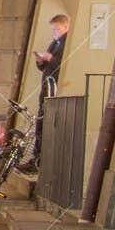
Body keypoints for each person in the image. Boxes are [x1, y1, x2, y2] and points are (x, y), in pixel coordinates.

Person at [24, 13, 69, 170]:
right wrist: (40, 62)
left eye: (56, 29)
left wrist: (51, 59)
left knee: (46, 124)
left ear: (65, 27)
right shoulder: (54, 43)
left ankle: (41, 161)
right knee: (41, 123)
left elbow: (64, 65)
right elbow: (46, 67)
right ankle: (36, 159)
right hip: (46, 88)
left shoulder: (67, 43)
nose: (54, 33)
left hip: (53, 89)